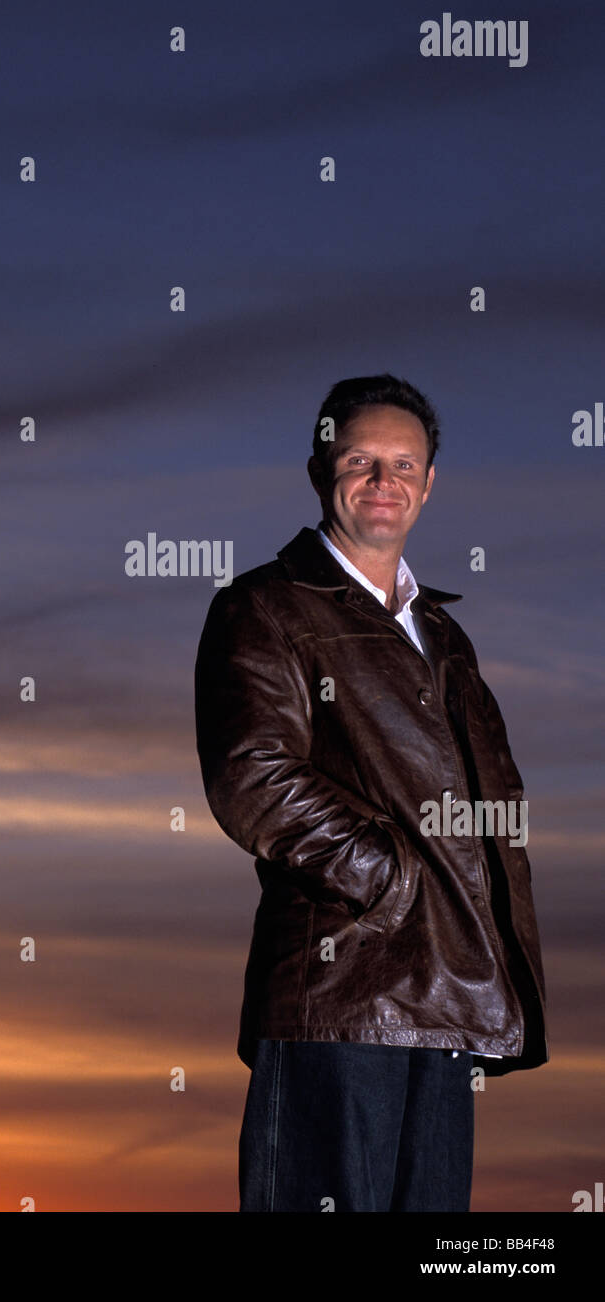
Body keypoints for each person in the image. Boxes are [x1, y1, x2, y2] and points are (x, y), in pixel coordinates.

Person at [194, 374, 548, 1212]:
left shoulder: (446, 634)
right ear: (324, 473)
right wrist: (392, 883)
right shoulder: (265, 606)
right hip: (339, 991)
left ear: (428, 484)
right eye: (361, 460)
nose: (383, 481)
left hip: (451, 997)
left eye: (403, 463)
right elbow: (254, 777)